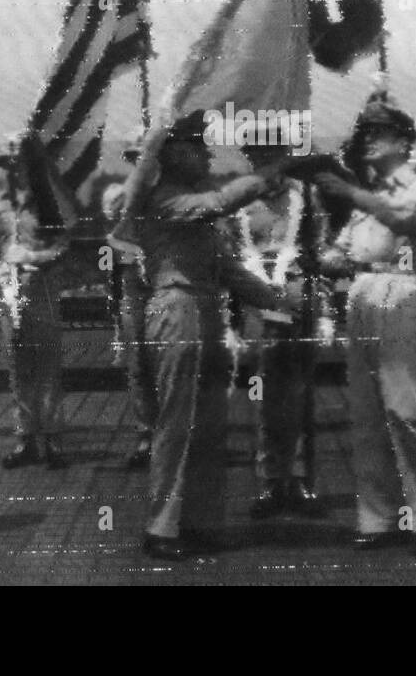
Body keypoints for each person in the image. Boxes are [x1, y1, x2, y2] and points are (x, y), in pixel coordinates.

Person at [136, 109, 294, 561]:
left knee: (208, 422)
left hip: (204, 309)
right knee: (177, 420)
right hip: (176, 307)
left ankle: (201, 520)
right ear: (174, 153)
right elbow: (218, 204)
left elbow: (224, 267)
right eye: (198, 146)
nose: (207, 153)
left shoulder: (190, 199)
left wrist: (273, 299)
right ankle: (162, 525)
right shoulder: (163, 198)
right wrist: (272, 171)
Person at [314, 92, 416, 555]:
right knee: (367, 413)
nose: (369, 142)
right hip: (364, 291)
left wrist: (353, 193)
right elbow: (346, 247)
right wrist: (325, 258)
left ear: (402, 139)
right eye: (365, 134)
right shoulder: (368, 195)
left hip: (403, 292)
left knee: (409, 408)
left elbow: (408, 218)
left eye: (378, 133)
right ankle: (377, 516)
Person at [231, 118, 330, 520]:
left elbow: (320, 254)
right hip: (258, 307)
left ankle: (303, 481)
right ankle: (272, 480)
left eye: (273, 153)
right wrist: (232, 323)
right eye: (258, 155)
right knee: (267, 398)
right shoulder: (238, 202)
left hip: (298, 302)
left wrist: (325, 313)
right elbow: (232, 260)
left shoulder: (307, 197)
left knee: (302, 394)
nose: (266, 161)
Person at [0, 132, 77, 470]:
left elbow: (64, 244)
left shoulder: (50, 203)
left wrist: (37, 256)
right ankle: (25, 439)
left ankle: (53, 440)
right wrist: (6, 280)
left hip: (43, 291)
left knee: (48, 368)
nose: (17, 169)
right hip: (10, 296)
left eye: (22, 163)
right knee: (19, 370)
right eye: (11, 164)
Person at [101, 133, 154, 469]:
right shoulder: (118, 195)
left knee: (170, 362)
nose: (142, 163)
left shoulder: (173, 197)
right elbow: (114, 237)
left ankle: (174, 434)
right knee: (139, 365)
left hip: (164, 283)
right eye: (137, 158)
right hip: (133, 281)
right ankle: (146, 433)